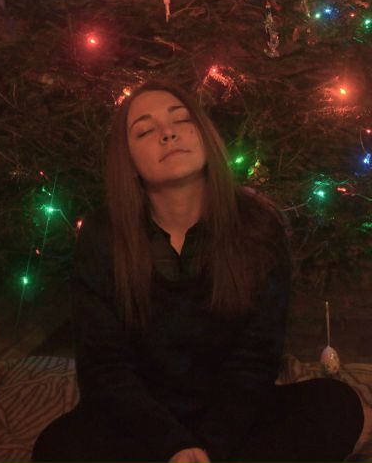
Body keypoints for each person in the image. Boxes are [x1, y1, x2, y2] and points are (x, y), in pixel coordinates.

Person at [32, 78, 363, 463]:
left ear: (205, 136)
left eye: (181, 120)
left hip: (233, 417)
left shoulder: (257, 226)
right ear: (130, 161)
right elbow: (104, 367)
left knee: (337, 405)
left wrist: (211, 446)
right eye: (145, 130)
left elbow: (255, 360)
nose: (168, 133)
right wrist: (172, 444)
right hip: (140, 422)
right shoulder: (101, 235)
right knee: (57, 448)